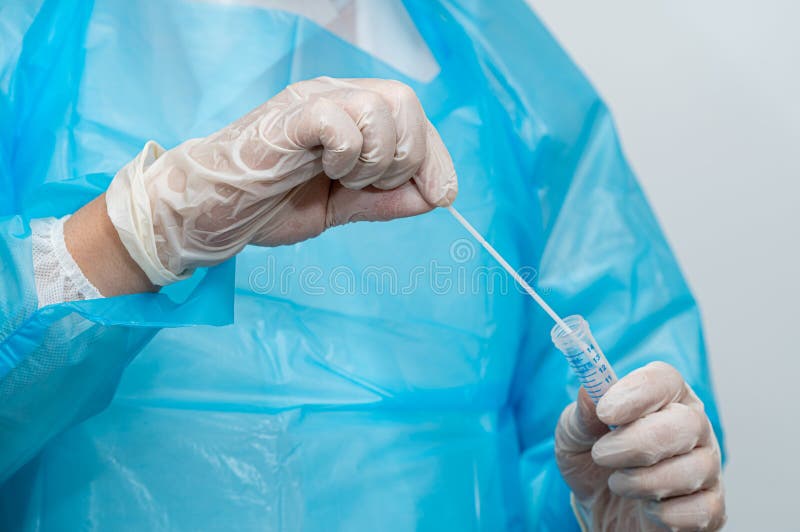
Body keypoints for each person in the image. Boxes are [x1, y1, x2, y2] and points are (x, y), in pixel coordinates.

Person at [0, 1, 725, 530]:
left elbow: (605, 426)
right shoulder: (29, 39)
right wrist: (133, 233)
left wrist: (607, 511)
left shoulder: (510, 77)